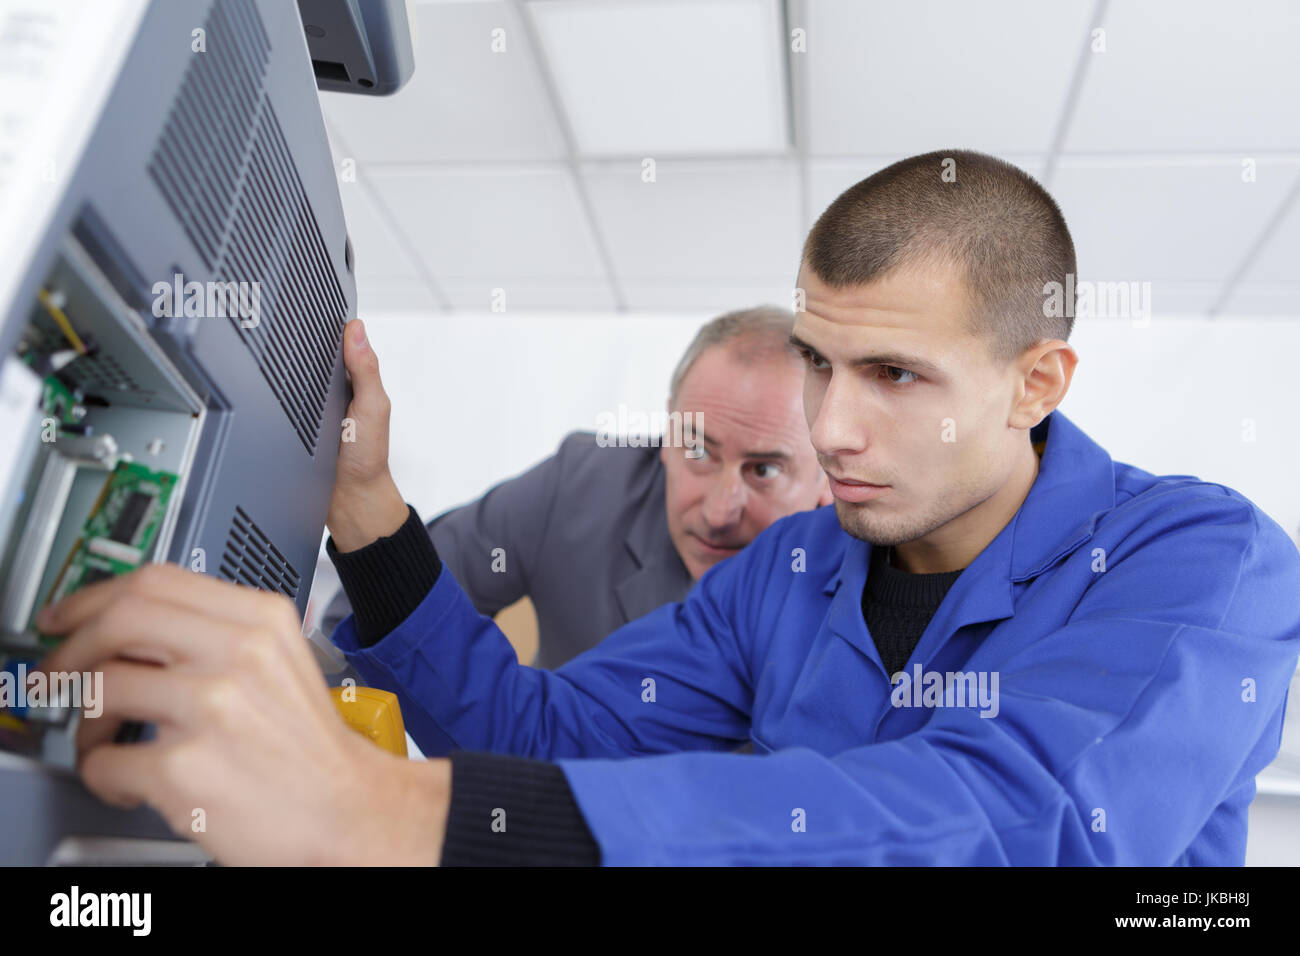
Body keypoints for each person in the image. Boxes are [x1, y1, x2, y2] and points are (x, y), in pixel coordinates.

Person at [37, 149, 1300, 865]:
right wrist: (365, 509)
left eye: (894, 374)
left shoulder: (1205, 559)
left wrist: (386, 810)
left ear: (1036, 382)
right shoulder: (788, 571)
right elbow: (547, 731)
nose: (832, 428)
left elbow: (1014, 821)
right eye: (820, 363)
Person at [320, 306, 832, 669]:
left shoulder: (866, 585)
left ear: (827, 481)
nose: (719, 512)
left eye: (764, 471)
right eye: (697, 449)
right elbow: (374, 612)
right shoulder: (581, 486)